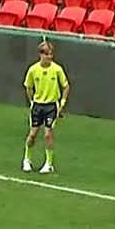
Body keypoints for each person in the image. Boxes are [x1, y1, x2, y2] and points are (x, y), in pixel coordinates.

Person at [22, 40, 70, 174]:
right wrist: (32, 101)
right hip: (38, 105)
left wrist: (62, 103)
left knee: (48, 134)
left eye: (51, 54)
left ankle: (49, 163)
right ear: (40, 55)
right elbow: (28, 87)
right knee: (32, 134)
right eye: (47, 54)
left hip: (51, 106)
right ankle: (27, 159)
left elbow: (66, 86)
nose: (49, 57)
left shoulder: (57, 69)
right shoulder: (33, 70)